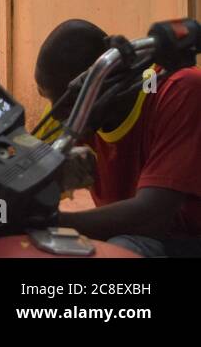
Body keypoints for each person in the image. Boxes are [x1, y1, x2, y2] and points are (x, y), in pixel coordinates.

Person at [34, 18, 201, 257]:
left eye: (65, 102)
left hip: (184, 240)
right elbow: (25, 167)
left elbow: (152, 217)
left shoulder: (180, 90)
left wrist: (50, 223)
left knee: (123, 246)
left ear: (106, 79)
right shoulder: (74, 107)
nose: (58, 114)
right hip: (137, 237)